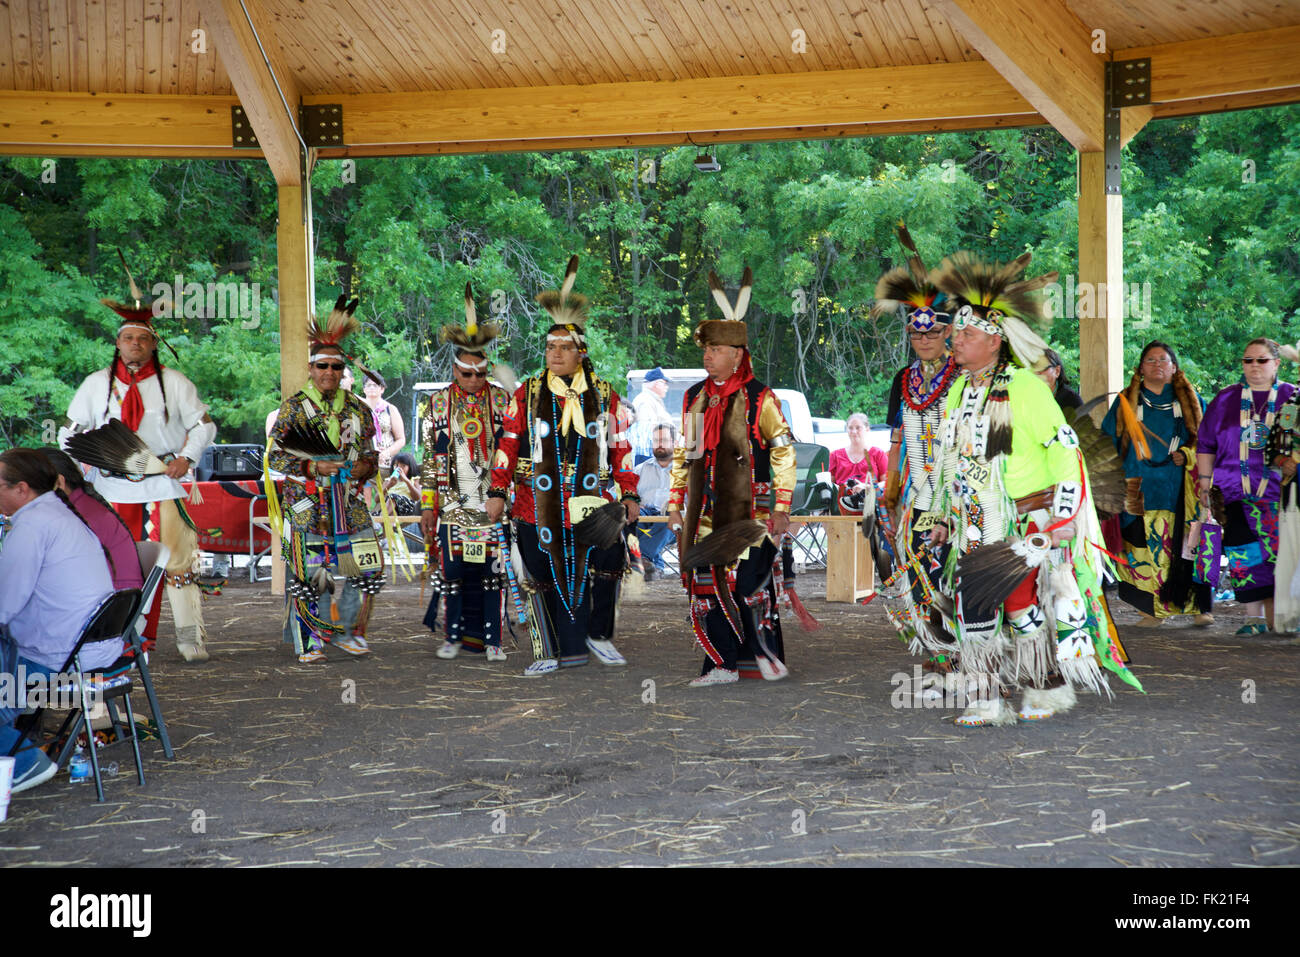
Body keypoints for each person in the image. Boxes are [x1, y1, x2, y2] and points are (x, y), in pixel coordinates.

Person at [927, 252, 1141, 726]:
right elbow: (951, 460)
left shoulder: (1024, 386)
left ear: (995, 342)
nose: (954, 340)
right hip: (972, 519)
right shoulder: (959, 390)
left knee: (1020, 605)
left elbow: (1066, 449)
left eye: (966, 334)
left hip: (1023, 518)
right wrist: (942, 516)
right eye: (955, 334)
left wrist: (1065, 518)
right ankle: (999, 696)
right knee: (979, 606)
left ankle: (1040, 689)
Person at [486, 256, 639, 676]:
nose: (554, 354)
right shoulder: (529, 393)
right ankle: (548, 650)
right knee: (541, 573)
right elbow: (508, 442)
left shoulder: (603, 394)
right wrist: (498, 491)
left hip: (593, 497)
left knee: (606, 563)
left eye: (563, 348)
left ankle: (597, 635)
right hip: (536, 499)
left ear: (581, 352)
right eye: (549, 347)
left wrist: (628, 493)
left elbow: (620, 447)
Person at [61, 281, 217, 662]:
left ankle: (187, 638)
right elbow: (69, 432)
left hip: (161, 484)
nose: (134, 344)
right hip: (108, 489)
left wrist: (187, 457)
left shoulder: (175, 384)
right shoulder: (95, 385)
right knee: (110, 563)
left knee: (176, 563)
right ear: (118, 343)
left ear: (153, 345)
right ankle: (118, 642)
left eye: (142, 339)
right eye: (128, 338)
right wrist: (77, 465)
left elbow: (205, 425)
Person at [667, 268, 797, 686]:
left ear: (738, 354)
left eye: (717, 348)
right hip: (704, 509)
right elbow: (685, 454)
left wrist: (781, 507)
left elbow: (783, 451)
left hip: (751, 509)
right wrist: (674, 504)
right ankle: (719, 665)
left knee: (750, 584)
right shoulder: (695, 397)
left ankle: (761, 656)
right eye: (706, 348)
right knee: (706, 585)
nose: (707, 355)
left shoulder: (761, 397)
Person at [268, 297, 383, 663]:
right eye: (322, 366)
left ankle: (348, 631)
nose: (329, 372)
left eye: (335, 366)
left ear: (342, 369)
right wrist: (312, 469)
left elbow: (371, 454)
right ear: (311, 368)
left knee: (369, 565)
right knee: (311, 572)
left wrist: (368, 467)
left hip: (348, 501)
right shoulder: (294, 408)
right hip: (306, 503)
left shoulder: (358, 409)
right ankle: (311, 638)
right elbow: (275, 457)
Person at [0, 449, 119, 794]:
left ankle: (23, 763)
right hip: (88, 649)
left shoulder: (33, 527)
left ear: (22, 489)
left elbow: (4, 608)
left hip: (59, 662)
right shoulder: (59, 515)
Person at [874, 233, 961, 695]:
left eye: (932, 332)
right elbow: (894, 443)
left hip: (958, 496)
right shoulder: (901, 381)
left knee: (955, 572)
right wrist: (890, 495)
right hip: (914, 495)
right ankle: (938, 657)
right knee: (920, 572)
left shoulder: (963, 378)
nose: (924, 339)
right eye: (916, 333)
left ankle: (970, 658)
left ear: (947, 332)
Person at [420, 285, 512, 661]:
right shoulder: (437, 403)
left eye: (479, 373)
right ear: (454, 368)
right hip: (452, 505)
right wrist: (428, 505)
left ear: (487, 369)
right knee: (454, 575)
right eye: (465, 373)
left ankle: (493, 641)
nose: (473, 380)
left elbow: (512, 451)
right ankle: (453, 637)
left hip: (493, 503)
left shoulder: (503, 401)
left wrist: (505, 497)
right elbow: (428, 458)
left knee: (492, 575)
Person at [1101, 341, 1211, 625]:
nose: (1157, 365)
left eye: (1163, 360)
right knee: (1140, 545)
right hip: (1138, 485)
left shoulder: (1190, 399)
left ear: (1174, 367)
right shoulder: (1126, 400)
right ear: (1140, 368)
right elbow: (1107, 442)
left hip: (1180, 487)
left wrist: (1186, 455)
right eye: (1150, 360)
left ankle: (1198, 608)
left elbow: (1208, 440)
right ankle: (1151, 610)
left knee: (1187, 544)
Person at [1196, 337, 1297, 635]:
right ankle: (1252, 618)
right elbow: (1205, 443)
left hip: (1280, 492)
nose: (1254, 366)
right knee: (1244, 551)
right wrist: (1205, 484)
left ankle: (1283, 615)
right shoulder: (1225, 399)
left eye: (1262, 360)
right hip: (1232, 492)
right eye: (1248, 360)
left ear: (1277, 363)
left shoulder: (1293, 397)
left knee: (1281, 553)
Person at [41, 448, 144, 593]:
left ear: (59, 482)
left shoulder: (81, 514)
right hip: (108, 594)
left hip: (113, 600)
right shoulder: (80, 504)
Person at [634, 423, 678, 578]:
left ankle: (639, 558)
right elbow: (621, 492)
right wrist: (632, 501)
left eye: (664, 440)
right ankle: (653, 567)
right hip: (644, 517)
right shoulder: (640, 469)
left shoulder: (685, 469)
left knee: (668, 517)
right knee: (629, 515)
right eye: (655, 440)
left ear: (674, 442)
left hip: (672, 521)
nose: (659, 444)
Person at [830, 413, 887, 491]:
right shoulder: (835, 455)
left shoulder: (878, 454)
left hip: (869, 499)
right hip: (842, 500)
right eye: (850, 428)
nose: (854, 431)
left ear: (867, 429)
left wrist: (868, 487)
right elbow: (830, 484)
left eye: (858, 428)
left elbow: (886, 482)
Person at [364, 375, 406, 475]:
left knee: (386, 488)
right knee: (364, 489)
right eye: (368, 385)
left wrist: (386, 453)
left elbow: (401, 439)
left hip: (386, 462)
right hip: (364, 460)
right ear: (364, 389)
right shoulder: (358, 409)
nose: (371, 388)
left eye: (375, 385)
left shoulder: (390, 409)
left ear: (382, 389)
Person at [631, 367, 674, 463]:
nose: (666, 387)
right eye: (664, 383)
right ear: (657, 384)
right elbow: (646, 435)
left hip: (654, 457)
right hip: (647, 458)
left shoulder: (652, 400)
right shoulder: (645, 401)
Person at [1037, 347, 1084, 414]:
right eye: (1033, 369)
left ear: (1057, 371)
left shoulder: (1071, 400)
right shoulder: (1028, 396)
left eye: (1042, 368)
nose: (1037, 373)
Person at [385, 452, 421, 516]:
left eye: (403, 466)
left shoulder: (413, 480)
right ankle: (382, 523)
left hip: (407, 508)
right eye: (396, 465)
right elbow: (377, 499)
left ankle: (380, 521)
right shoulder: (389, 480)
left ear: (410, 467)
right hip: (390, 509)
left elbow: (418, 498)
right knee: (393, 513)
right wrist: (389, 485)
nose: (399, 468)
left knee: (393, 497)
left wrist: (406, 481)